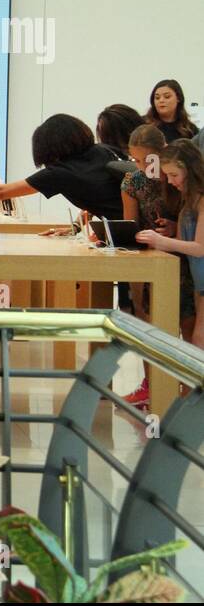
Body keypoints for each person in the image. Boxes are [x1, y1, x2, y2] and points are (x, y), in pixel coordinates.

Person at [0, 114, 126, 221]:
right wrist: (75, 227)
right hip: (144, 225)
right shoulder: (102, 150)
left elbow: (0, 191)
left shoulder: (61, 173)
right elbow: (101, 195)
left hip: (131, 233)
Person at [119, 124, 187, 407]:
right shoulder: (132, 182)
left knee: (187, 322)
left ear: (162, 153)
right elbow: (130, 226)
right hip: (151, 257)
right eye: (136, 160)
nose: (142, 165)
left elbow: (194, 215)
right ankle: (151, 384)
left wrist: (175, 227)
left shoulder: (180, 177)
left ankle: (186, 387)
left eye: (148, 160)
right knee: (151, 323)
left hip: (186, 255)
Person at [136, 140, 204, 354]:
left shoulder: (202, 199)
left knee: (199, 339)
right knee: (197, 338)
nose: (172, 181)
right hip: (198, 281)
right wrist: (174, 229)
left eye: (174, 175)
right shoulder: (191, 198)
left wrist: (162, 242)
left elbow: (200, 247)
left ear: (188, 169)